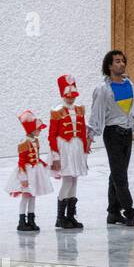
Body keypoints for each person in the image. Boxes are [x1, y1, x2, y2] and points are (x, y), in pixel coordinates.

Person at [87, 50, 134, 227]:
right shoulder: (102, 89)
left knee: (117, 174)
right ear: (109, 66)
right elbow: (96, 116)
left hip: (127, 136)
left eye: (123, 61)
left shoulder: (129, 85)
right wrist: (89, 138)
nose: (121, 64)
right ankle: (129, 211)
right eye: (117, 61)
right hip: (112, 134)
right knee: (120, 177)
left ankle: (113, 212)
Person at [49, 75, 91, 230]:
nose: (71, 99)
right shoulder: (57, 111)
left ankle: (70, 216)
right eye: (68, 96)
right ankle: (60, 218)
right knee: (67, 180)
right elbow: (51, 136)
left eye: (73, 96)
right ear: (62, 94)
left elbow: (82, 132)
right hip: (64, 149)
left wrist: (85, 152)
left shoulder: (80, 109)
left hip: (77, 148)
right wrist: (55, 156)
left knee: (74, 180)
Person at [6, 110, 54, 233]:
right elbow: (21, 161)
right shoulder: (24, 142)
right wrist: (23, 178)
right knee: (26, 196)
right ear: (31, 128)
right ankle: (22, 222)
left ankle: (31, 220)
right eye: (38, 128)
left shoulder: (35, 140)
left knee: (33, 196)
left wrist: (44, 164)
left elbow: (36, 156)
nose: (40, 130)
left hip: (35, 172)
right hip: (27, 172)